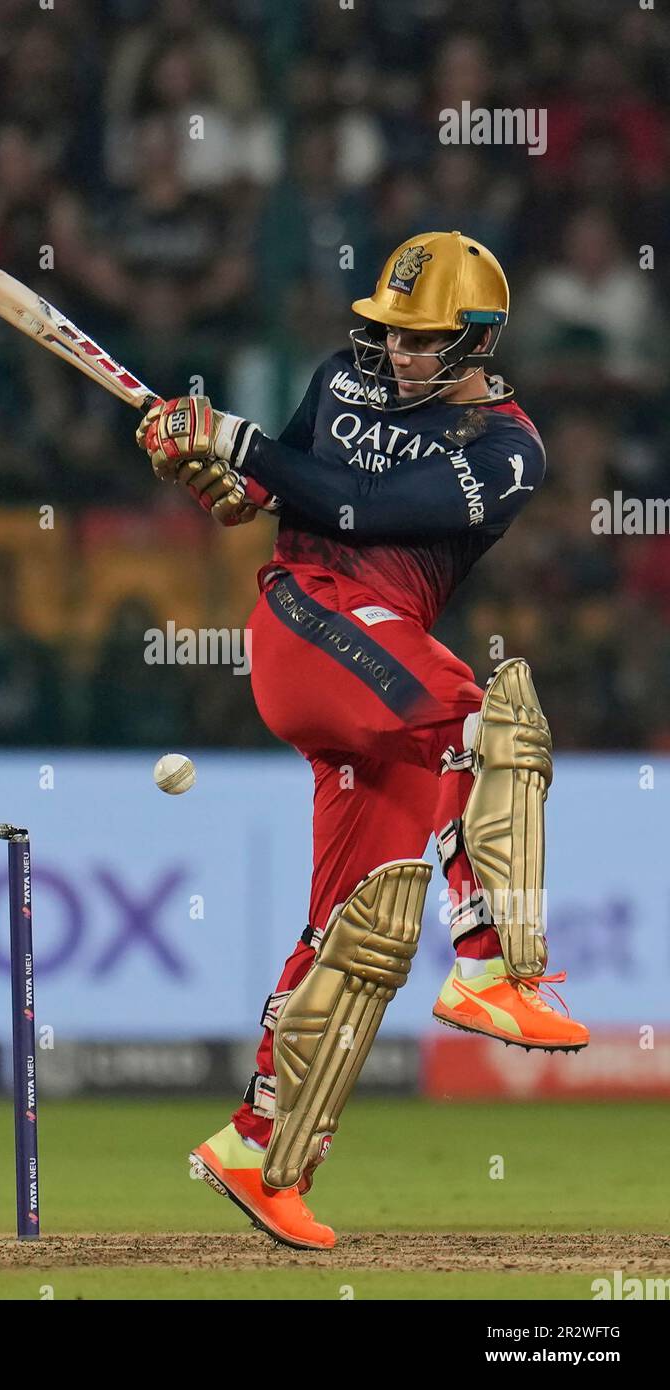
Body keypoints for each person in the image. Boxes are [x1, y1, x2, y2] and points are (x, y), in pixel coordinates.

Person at [136, 230, 589, 1251]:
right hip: (307, 618)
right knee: (486, 719)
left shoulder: (507, 448)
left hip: (371, 666)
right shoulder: (340, 376)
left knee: (359, 928)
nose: (391, 353)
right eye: (385, 332)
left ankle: (260, 1149)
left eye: (420, 339)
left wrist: (239, 451)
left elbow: (359, 502)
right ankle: (487, 965)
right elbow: (264, 494)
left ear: (477, 341)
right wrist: (198, 463)